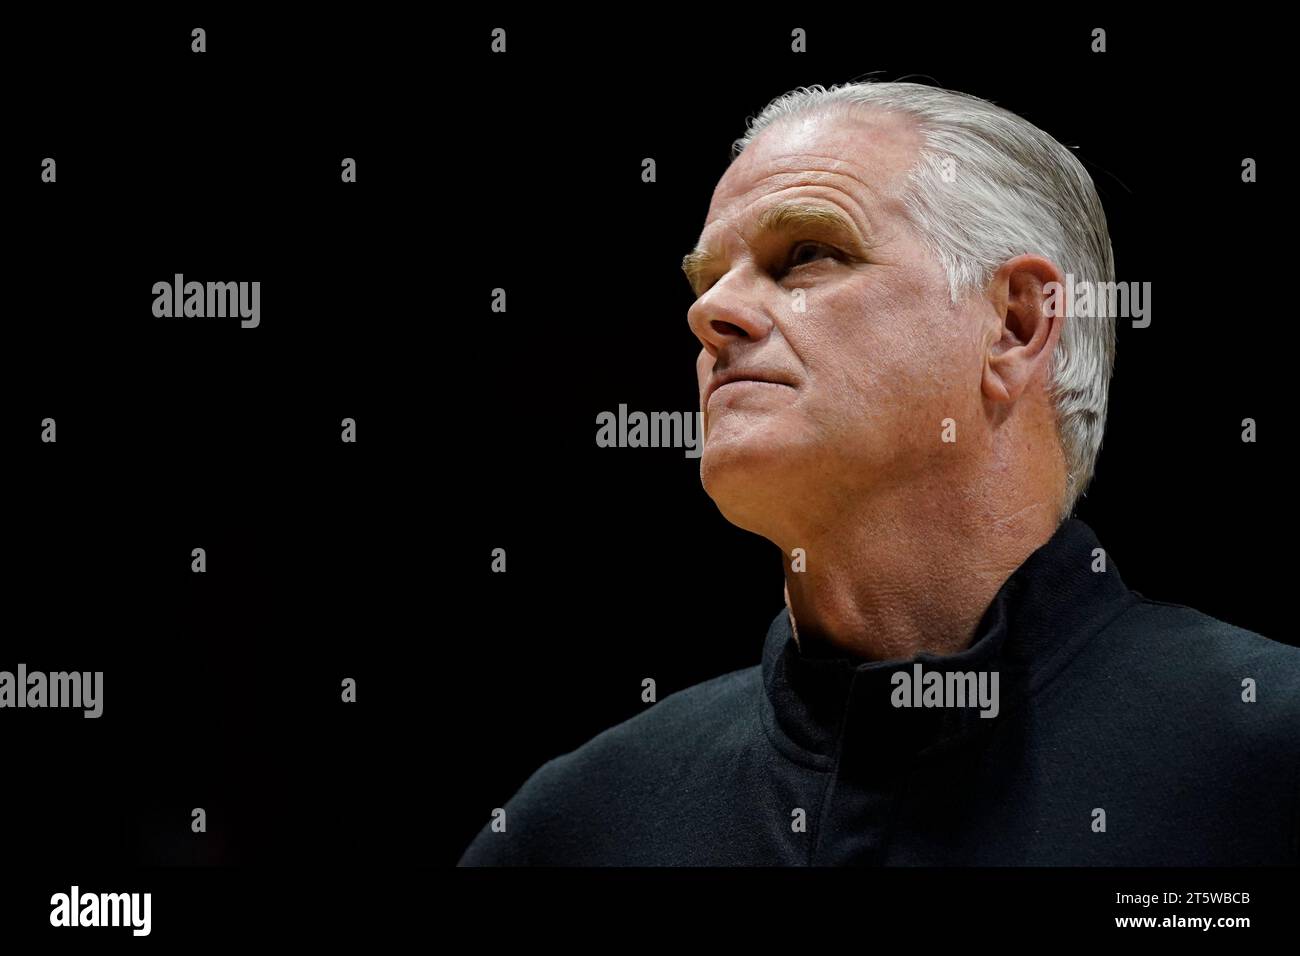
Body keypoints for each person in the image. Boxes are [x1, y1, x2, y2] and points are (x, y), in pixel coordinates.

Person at [459, 81, 1300, 866]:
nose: (708, 312)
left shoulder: (1269, 752)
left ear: (1014, 323)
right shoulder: (576, 828)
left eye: (807, 254)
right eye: (709, 280)